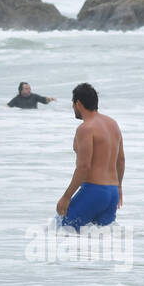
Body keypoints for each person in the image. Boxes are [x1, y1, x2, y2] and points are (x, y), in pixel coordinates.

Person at [55, 83, 124, 229]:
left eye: (73, 105)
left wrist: (66, 197)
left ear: (78, 103)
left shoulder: (85, 129)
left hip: (95, 191)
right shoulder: (112, 124)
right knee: (100, 240)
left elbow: (84, 167)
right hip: (112, 192)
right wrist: (119, 187)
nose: (73, 108)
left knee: (62, 230)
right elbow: (121, 160)